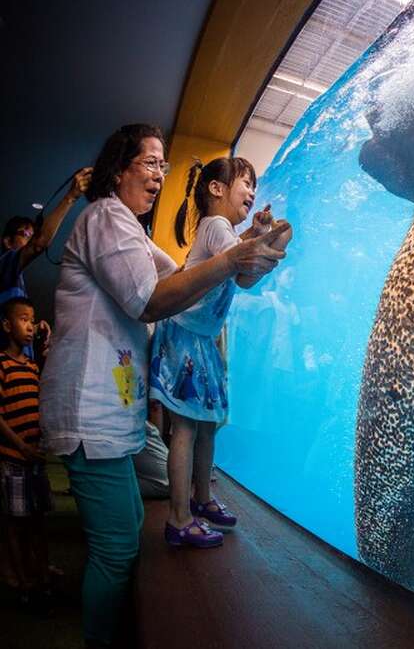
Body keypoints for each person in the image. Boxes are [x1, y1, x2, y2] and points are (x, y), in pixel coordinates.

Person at [39, 124, 289, 648]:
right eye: (151, 163)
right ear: (119, 166)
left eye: (163, 166)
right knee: (115, 548)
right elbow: (150, 301)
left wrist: (245, 247)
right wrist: (231, 258)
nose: (159, 175)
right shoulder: (105, 216)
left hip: (112, 415)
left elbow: (185, 274)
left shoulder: (129, 229)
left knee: (128, 522)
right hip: (89, 413)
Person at [149, 157, 291, 548]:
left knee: (207, 424)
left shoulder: (224, 231)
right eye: (245, 182)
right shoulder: (215, 226)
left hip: (201, 339)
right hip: (185, 337)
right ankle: (179, 518)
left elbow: (240, 259)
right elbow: (244, 271)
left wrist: (257, 231)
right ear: (217, 189)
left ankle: (202, 498)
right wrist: (268, 240)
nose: (251, 191)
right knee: (187, 429)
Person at [0, 297, 52, 607]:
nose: (30, 326)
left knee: (38, 522)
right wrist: (19, 446)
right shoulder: (2, 365)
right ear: (7, 325)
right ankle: (23, 584)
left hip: (36, 460)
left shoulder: (32, 367)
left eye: (32, 320)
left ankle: (42, 576)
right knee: (16, 524)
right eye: (22, 319)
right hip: (13, 460)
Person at [0, 167, 92, 304]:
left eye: (32, 235)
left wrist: (34, 325)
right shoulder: (3, 264)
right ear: (7, 241)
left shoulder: (17, 281)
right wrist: (70, 197)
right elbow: (38, 244)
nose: (31, 238)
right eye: (25, 233)